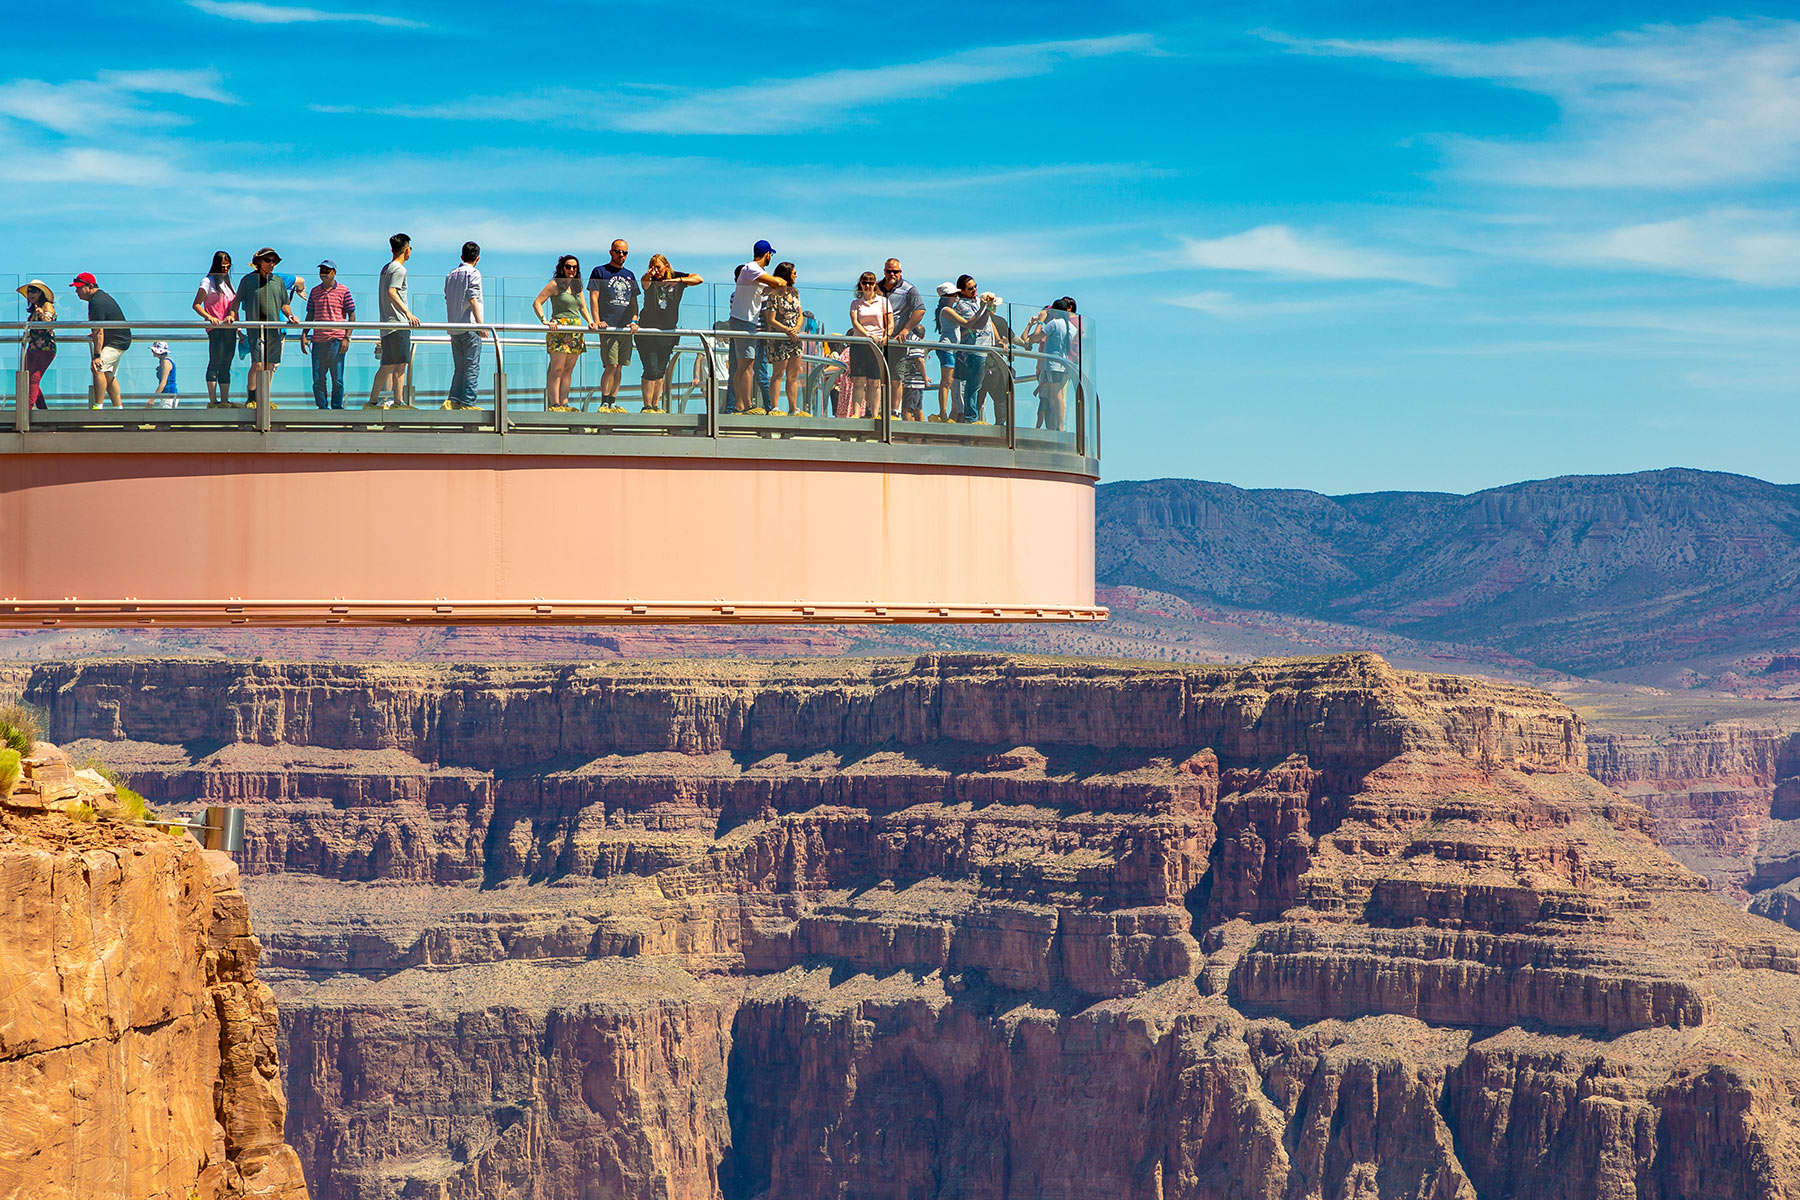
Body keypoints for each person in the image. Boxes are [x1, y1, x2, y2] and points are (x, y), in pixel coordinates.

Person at [727, 240, 788, 414]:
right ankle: (746, 405)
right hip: (743, 320)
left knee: (744, 364)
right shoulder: (752, 269)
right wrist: (775, 284)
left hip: (747, 321)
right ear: (768, 254)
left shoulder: (756, 273)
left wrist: (773, 286)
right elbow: (780, 284)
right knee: (745, 365)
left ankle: (741, 405)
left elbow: (779, 288)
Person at [636, 254, 701, 413]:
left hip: (668, 332)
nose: (656, 271)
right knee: (650, 369)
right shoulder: (650, 280)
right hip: (648, 331)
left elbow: (698, 279)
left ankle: (656, 405)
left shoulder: (676, 277)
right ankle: (647, 405)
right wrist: (649, 275)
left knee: (660, 370)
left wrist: (678, 281)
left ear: (666, 266)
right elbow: (644, 283)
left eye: (658, 267)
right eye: (652, 267)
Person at [235, 248, 294, 411]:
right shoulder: (248, 280)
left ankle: (264, 398)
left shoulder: (278, 281)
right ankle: (251, 398)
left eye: (273, 261)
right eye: (267, 260)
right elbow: (236, 301)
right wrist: (233, 319)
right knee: (257, 364)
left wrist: (290, 316)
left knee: (270, 365)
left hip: (274, 329)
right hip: (255, 329)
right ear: (259, 262)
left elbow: (285, 304)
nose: (271, 264)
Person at [533, 255, 592, 412]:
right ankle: (555, 404)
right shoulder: (554, 285)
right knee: (557, 368)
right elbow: (537, 302)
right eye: (568, 267)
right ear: (562, 268)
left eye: (574, 267)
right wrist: (545, 320)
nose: (571, 270)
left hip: (575, 329)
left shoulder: (577, 286)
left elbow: (582, 307)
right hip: (559, 328)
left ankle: (565, 403)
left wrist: (590, 322)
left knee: (568, 369)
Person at [368, 233, 420, 410]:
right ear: (406, 250)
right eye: (410, 248)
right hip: (398, 323)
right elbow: (392, 292)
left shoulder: (386, 268)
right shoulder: (399, 269)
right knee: (400, 366)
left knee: (386, 365)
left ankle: (372, 402)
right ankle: (398, 402)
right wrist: (408, 313)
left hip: (386, 324)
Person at [586, 239, 638, 411]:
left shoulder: (630, 275)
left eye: (625, 252)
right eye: (618, 251)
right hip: (608, 326)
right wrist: (596, 320)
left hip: (625, 327)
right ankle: (604, 401)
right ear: (611, 252)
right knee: (611, 365)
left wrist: (634, 320)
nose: (621, 255)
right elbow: (593, 297)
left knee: (620, 366)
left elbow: (633, 301)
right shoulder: (600, 271)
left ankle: (613, 400)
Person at [941, 274, 995, 423]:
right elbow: (976, 324)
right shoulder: (962, 306)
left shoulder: (978, 301)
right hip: (974, 349)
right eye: (970, 288)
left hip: (986, 348)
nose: (974, 290)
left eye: (975, 286)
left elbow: (989, 324)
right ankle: (971, 418)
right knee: (972, 385)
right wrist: (988, 309)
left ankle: (973, 416)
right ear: (962, 291)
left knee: (978, 386)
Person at [70, 273, 129, 409]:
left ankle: (98, 406)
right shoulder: (100, 298)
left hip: (116, 341)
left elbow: (98, 330)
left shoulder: (96, 302)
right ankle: (118, 408)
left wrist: (97, 356)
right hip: (120, 339)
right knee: (108, 375)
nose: (76, 291)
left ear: (90, 287)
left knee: (97, 367)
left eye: (79, 287)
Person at [304, 259, 355, 410]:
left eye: (327, 271)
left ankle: (336, 408)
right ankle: (322, 408)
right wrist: (304, 334)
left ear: (334, 273)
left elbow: (352, 315)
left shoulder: (344, 290)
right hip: (318, 340)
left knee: (337, 378)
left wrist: (347, 337)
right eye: (321, 271)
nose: (323, 274)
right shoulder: (314, 291)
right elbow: (310, 314)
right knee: (318, 378)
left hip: (336, 340)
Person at [191, 251, 237, 407]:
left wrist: (238, 330)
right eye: (222, 264)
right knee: (215, 362)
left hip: (230, 328)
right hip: (216, 328)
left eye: (227, 265)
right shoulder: (208, 282)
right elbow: (196, 304)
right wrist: (209, 317)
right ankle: (213, 400)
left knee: (227, 363)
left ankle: (224, 400)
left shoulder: (228, 284)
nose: (225, 268)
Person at [878, 259, 923, 417]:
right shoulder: (875, 287)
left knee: (896, 377)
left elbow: (920, 310)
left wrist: (905, 329)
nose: (892, 274)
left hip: (897, 341)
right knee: (876, 378)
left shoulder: (909, 289)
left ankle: (894, 412)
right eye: (889, 271)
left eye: (895, 271)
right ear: (884, 271)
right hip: (877, 340)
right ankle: (876, 411)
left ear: (900, 272)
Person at [443, 241, 484, 411]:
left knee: (459, 367)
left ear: (462, 256)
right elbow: (473, 299)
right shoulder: (474, 273)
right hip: (470, 327)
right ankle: (468, 403)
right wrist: (482, 325)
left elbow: (447, 298)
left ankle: (453, 401)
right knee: (471, 367)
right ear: (478, 258)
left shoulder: (450, 275)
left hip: (454, 327)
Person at [846, 271, 892, 419]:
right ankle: (856, 413)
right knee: (858, 380)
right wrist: (867, 335)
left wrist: (886, 337)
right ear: (860, 284)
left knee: (875, 381)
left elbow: (890, 323)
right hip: (860, 344)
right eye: (864, 282)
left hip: (878, 344)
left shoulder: (883, 301)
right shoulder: (855, 303)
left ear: (875, 284)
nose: (868, 286)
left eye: (871, 283)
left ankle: (875, 414)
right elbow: (855, 322)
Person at [763, 262, 804, 416]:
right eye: (794, 272)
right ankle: (774, 407)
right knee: (778, 373)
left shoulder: (795, 293)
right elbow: (771, 319)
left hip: (794, 338)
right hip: (779, 338)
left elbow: (800, 314)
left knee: (793, 375)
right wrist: (787, 330)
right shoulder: (774, 295)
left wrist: (796, 328)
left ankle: (793, 408)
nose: (796, 275)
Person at [17, 281, 55, 411]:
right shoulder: (35, 308)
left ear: (41, 293)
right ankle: (43, 411)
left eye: (33, 290)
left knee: (33, 378)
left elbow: (49, 323)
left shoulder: (46, 305)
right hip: (33, 348)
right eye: (29, 291)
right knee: (29, 378)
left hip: (45, 348)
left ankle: (26, 410)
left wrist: (40, 313)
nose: (30, 294)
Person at [932, 282, 957, 421]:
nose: (957, 297)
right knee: (946, 382)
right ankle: (943, 412)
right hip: (947, 348)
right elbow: (966, 322)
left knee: (950, 382)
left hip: (951, 348)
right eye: (954, 295)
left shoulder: (948, 309)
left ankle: (947, 412)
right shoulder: (947, 310)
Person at [901, 324, 929, 421]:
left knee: (907, 409)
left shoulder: (912, 339)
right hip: (916, 383)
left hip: (912, 383)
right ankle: (922, 434)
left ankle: (909, 434)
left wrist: (925, 377)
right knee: (917, 409)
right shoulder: (917, 341)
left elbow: (919, 360)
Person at [149, 340, 179, 408]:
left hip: (168, 396)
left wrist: (152, 399)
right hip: (167, 395)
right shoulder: (164, 361)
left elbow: (163, 383)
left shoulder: (166, 362)